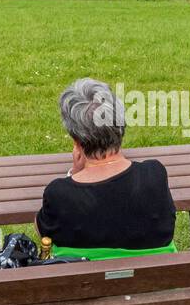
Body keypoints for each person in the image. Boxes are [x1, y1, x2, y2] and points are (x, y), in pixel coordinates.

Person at [35, 78, 177, 257]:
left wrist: (74, 174)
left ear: (77, 141)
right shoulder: (154, 174)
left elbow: (43, 233)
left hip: (83, 284)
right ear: (120, 126)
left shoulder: (59, 194)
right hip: (154, 283)